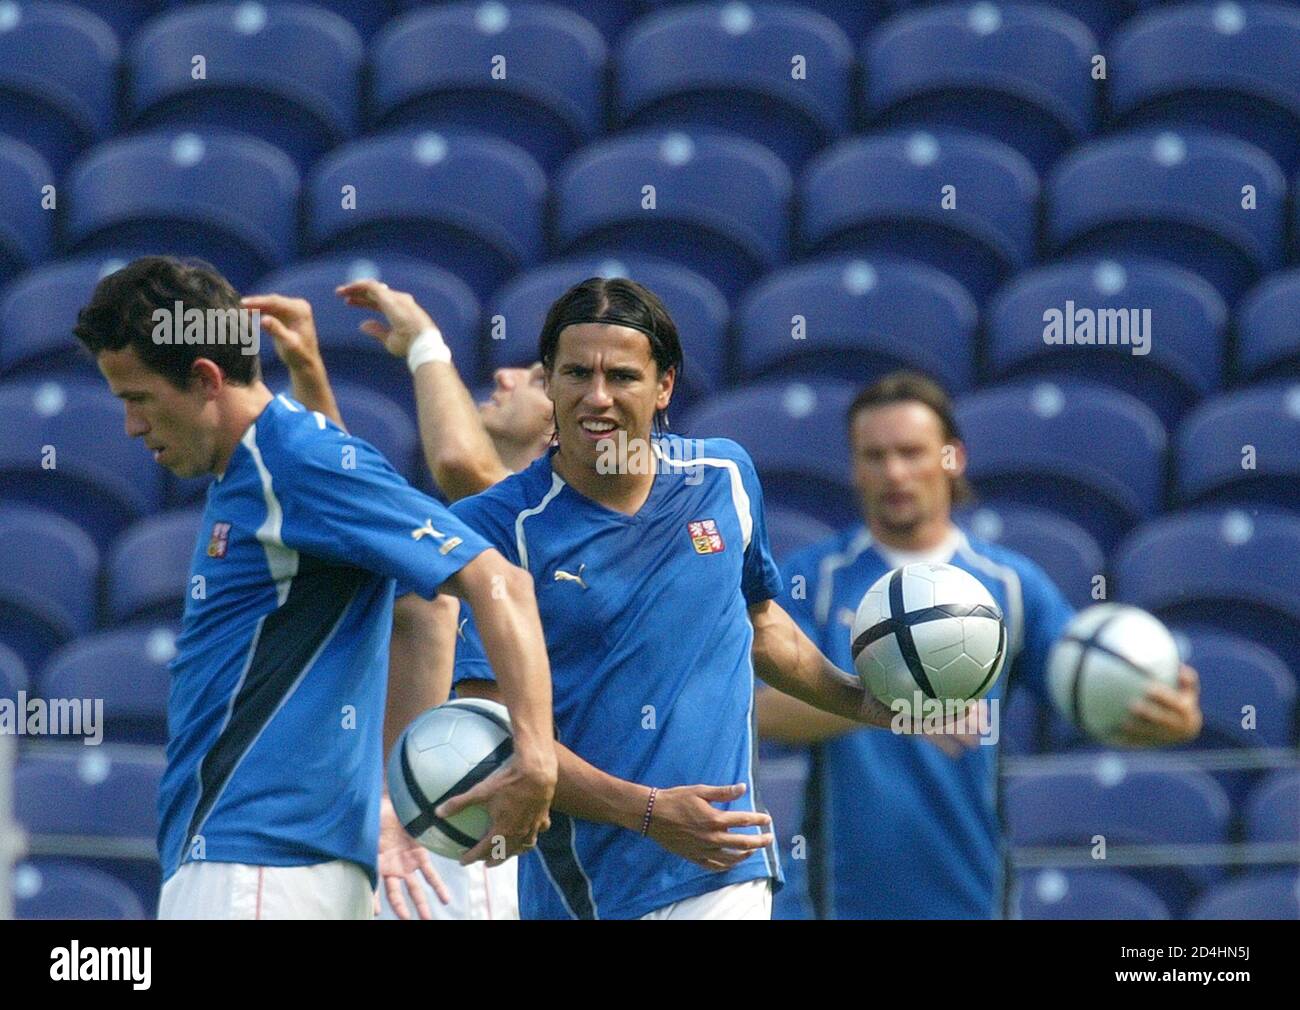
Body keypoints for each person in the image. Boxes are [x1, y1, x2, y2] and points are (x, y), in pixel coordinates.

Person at [421, 276, 923, 920]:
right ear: (548, 383)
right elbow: (492, 732)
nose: (596, 397)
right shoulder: (497, 526)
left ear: (664, 386)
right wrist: (650, 814)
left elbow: (759, 623)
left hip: (723, 869)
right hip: (585, 892)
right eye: (576, 373)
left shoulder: (724, 477)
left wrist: (861, 701)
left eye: (622, 376)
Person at [73, 256, 558, 919]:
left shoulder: (289, 461)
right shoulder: (277, 463)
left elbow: (498, 582)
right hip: (264, 866)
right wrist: (392, 800)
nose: (132, 426)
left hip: (256, 870)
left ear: (206, 378)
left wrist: (536, 758)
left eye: (138, 400)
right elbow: (420, 599)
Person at [757, 371, 1204, 919]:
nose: (894, 471)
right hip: (838, 901)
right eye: (874, 456)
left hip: (974, 898)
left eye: (911, 452)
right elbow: (760, 710)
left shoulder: (1009, 585)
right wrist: (891, 703)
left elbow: (1084, 688)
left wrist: (1159, 719)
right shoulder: (814, 580)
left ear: (952, 459)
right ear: (853, 467)